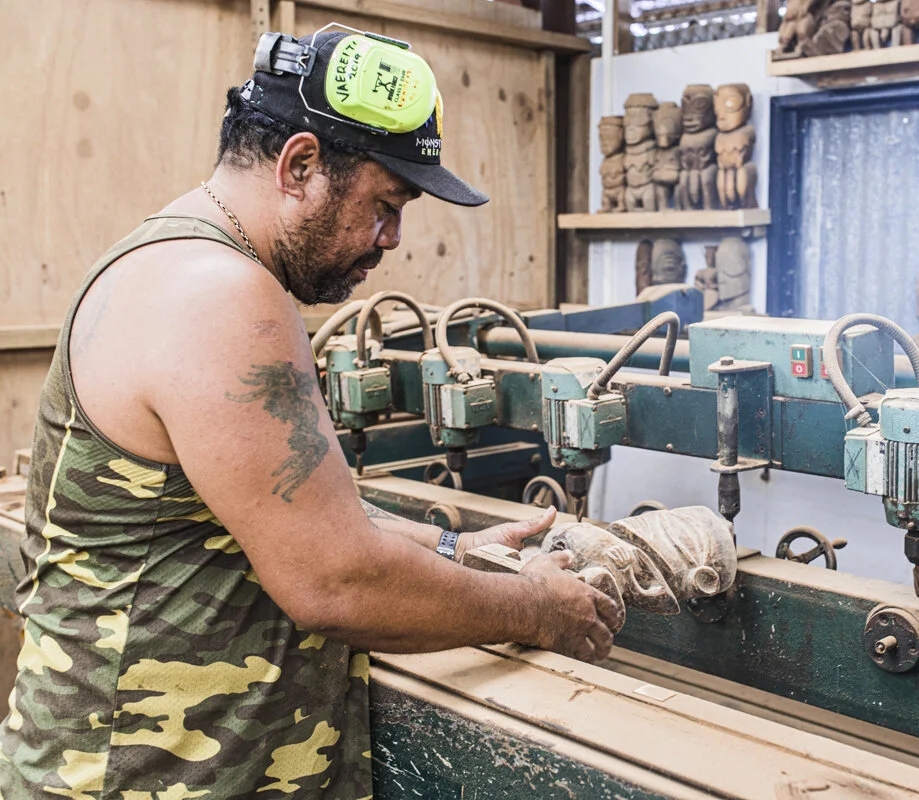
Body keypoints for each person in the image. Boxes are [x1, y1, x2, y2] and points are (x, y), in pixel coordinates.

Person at [0, 26, 620, 798]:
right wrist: (535, 609)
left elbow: (274, 521)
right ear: (299, 165)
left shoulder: (172, 259)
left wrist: (454, 550)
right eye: (384, 206)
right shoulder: (219, 296)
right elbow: (335, 580)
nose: (391, 239)